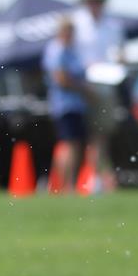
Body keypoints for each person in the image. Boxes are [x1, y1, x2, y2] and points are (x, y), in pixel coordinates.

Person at [70, 0, 123, 190]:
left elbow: (117, 54)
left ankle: (94, 177)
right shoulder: (76, 24)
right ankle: (74, 182)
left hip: (104, 84)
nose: (95, 5)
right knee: (75, 136)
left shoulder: (112, 26)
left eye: (98, 1)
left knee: (100, 133)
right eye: (91, 1)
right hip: (79, 85)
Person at [42, 17, 89, 193]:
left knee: (74, 145)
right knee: (68, 145)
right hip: (65, 105)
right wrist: (84, 89)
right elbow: (60, 78)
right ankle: (63, 185)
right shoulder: (57, 50)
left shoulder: (69, 50)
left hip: (75, 105)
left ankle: (68, 184)